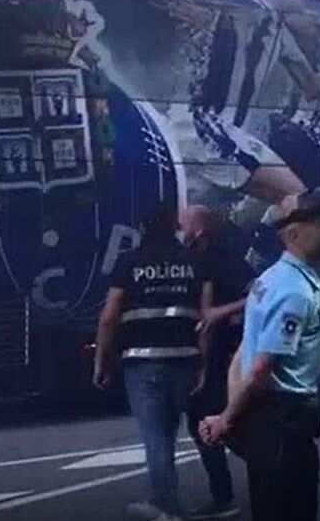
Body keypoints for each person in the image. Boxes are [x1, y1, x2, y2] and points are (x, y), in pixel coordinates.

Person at [200, 189, 320, 521]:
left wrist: (230, 415)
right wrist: (227, 420)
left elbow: (244, 353)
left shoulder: (269, 280)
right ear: (294, 235)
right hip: (285, 424)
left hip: (271, 422)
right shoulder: (295, 292)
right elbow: (262, 367)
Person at [94, 205, 212, 521]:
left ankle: (165, 506)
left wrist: (101, 362)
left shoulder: (130, 261)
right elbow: (206, 317)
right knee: (168, 433)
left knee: (154, 435)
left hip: (141, 362)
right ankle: (167, 499)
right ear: (173, 226)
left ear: (143, 229)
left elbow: (109, 318)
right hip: (183, 360)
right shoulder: (193, 261)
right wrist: (203, 362)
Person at [180, 206, 257, 519]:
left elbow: (259, 293)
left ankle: (232, 490)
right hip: (213, 353)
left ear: (198, 229)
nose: (178, 229)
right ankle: (236, 485)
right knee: (209, 420)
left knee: (210, 419)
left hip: (226, 351)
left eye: (182, 224)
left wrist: (219, 313)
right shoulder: (196, 260)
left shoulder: (219, 258)